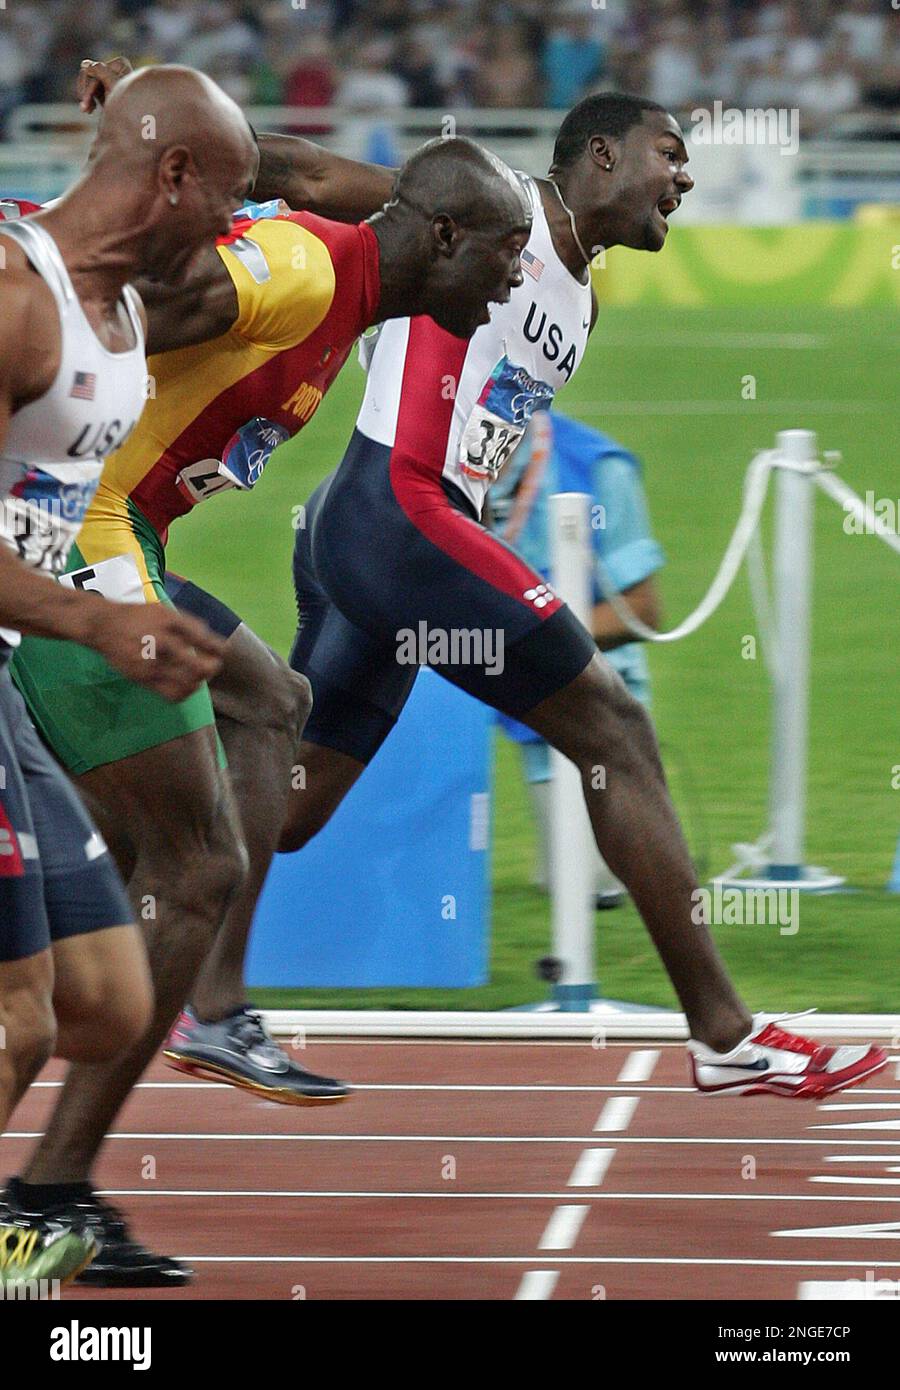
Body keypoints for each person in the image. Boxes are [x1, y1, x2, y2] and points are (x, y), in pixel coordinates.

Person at [4, 59, 531, 1288]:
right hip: (84, 547)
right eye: (502, 260)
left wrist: (158, 125)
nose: (510, 287)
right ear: (443, 241)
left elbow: (290, 172)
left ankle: (195, 990)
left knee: (272, 701)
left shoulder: (354, 260)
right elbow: (158, 280)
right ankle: (52, 1191)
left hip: (124, 540)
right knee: (200, 861)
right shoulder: (301, 270)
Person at [271, 92, 885, 1113]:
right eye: (670, 154)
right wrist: (152, 161)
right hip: (395, 512)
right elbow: (308, 175)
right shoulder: (489, 199)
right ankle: (727, 1036)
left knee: (286, 808)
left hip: (396, 542)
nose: (684, 180)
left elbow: (489, 428)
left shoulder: (583, 297)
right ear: (601, 153)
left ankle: (83, 862)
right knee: (615, 727)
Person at [0, 63, 256, 1292]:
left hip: (8, 670)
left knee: (101, 998)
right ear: (171, 176)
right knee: (24, 1018)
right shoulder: (14, 299)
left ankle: (34, 1202)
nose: (234, 231)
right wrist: (102, 628)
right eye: (226, 199)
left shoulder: (121, 308)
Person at [490, 410, 664, 906]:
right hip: (461, 676)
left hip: (576, 702)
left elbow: (643, 610)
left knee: (588, 887)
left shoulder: (598, 465)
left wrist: (529, 640)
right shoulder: (434, 460)